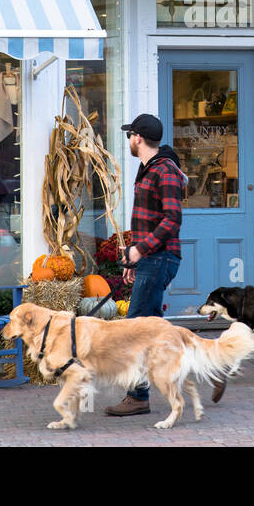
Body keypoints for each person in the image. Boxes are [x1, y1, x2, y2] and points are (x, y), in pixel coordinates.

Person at [104, 113, 187, 417]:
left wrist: (141, 250)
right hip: (151, 258)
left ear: (138, 138)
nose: (128, 140)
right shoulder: (149, 169)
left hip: (161, 257)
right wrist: (134, 257)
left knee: (135, 329)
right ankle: (194, 372)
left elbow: (172, 220)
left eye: (130, 135)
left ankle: (138, 396)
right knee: (153, 332)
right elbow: (148, 221)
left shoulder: (165, 171)